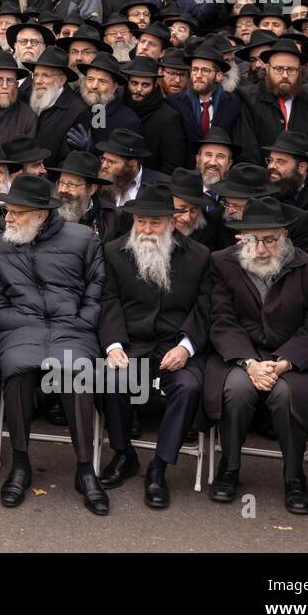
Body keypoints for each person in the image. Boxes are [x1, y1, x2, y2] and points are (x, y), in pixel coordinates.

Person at [0, 174, 108, 513]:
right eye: (7, 210)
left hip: (72, 329)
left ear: (42, 214)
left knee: (76, 372)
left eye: (16, 212)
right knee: (18, 369)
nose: (7, 218)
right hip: (21, 329)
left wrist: (83, 321)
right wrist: (12, 323)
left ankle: (86, 470)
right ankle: (21, 464)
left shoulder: (83, 238)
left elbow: (97, 287)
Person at [99, 185, 211, 509]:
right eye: (141, 223)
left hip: (174, 347)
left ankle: (159, 467)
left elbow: (204, 308)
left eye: (155, 223)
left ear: (172, 223)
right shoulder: (113, 252)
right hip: (132, 344)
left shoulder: (199, 256)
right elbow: (108, 302)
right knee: (111, 379)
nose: (147, 230)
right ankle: (124, 455)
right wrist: (114, 346)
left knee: (189, 387)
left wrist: (186, 347)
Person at [206, 196, 308, 514]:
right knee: (237, 389)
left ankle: (294, 476)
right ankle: (229, 468)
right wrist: (250, 362)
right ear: (241, 236)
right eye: (253, 239)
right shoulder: (222, 262)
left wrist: (282, 362)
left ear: (285, 235)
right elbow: (221, 319)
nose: (261, 249)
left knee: (286, 394)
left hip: (290, 358)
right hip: (239, 355)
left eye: (269, 239)